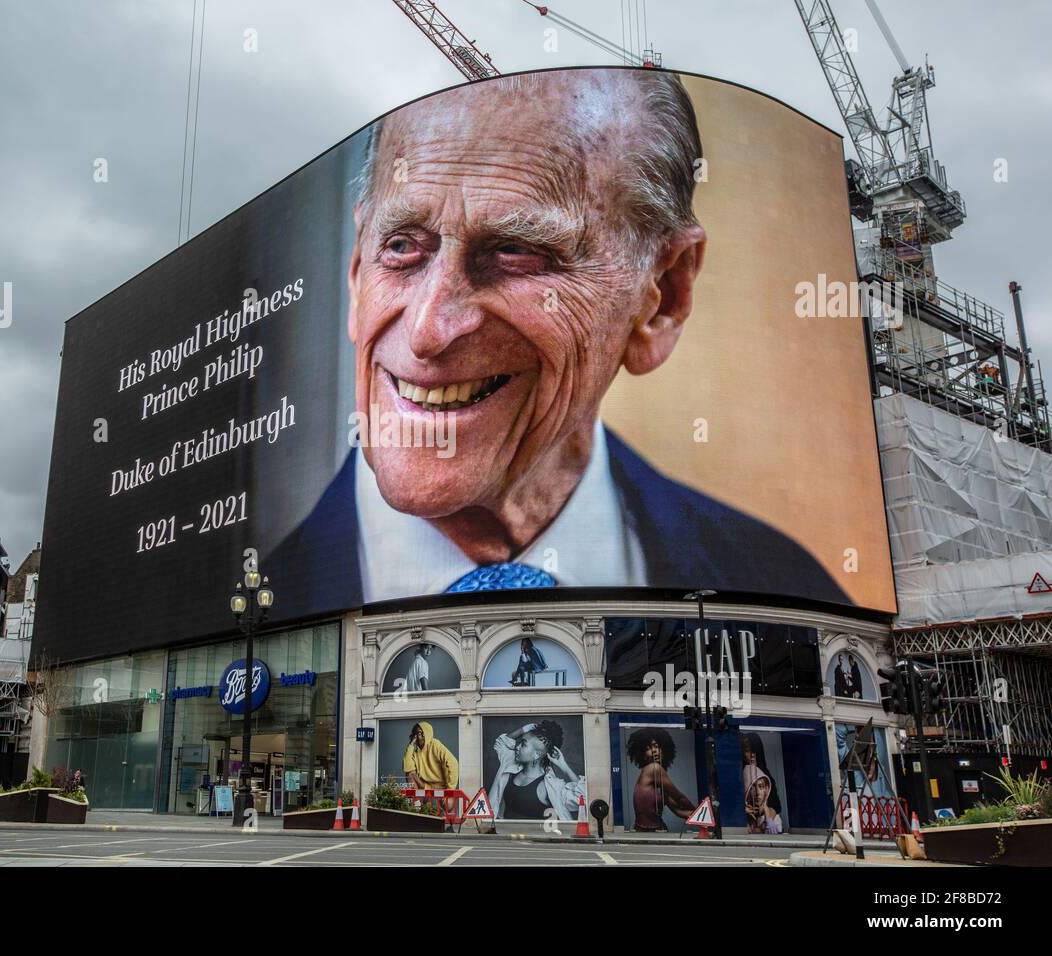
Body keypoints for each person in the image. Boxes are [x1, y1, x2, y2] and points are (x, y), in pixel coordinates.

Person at [266, 68, 848, 612]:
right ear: (356, 272)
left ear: (663, 295)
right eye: (400, 248)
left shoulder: (785, 585)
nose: (426, 330)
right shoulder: (248, 607)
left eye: (516, 253)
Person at [488, 720, 585, 821]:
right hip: (505, 835)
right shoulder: (510, 766)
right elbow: (502, 743)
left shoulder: (550, 785)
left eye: (523, 744)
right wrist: (523, 729)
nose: (517, 746)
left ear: (537, 755)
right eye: (520, 742)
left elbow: (583, 797)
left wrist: (564, 767)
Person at [626, 728, 695, 831]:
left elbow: (677, 810)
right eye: (647, 749)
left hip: (656, 830)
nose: (654, 751)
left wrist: (701, 817)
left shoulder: (658, 786)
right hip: (647, 832)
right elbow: (679, 797)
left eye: (656, 746)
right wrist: (698, 810)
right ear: (643, 755)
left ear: (663, 749)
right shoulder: (654, 769)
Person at [741, 732, 784, 834]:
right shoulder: (740, 776)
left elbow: (775, 805)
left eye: (755, 751)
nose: (752, 755)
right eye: (747, 751)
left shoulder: (766, 776)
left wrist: (768, 819)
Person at [402, 721, 458, 791]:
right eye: (416, 734)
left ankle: (448, 794)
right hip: (425, 785)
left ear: (426, 734)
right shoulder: (414, 750)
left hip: (443, 786)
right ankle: (417, 802)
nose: (418, 736)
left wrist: (450, 788)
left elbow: (453, 763)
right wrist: (410, 745)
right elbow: (407, 768)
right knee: (410, 774)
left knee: (449, 800)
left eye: (420, 733)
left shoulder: (435, 745)